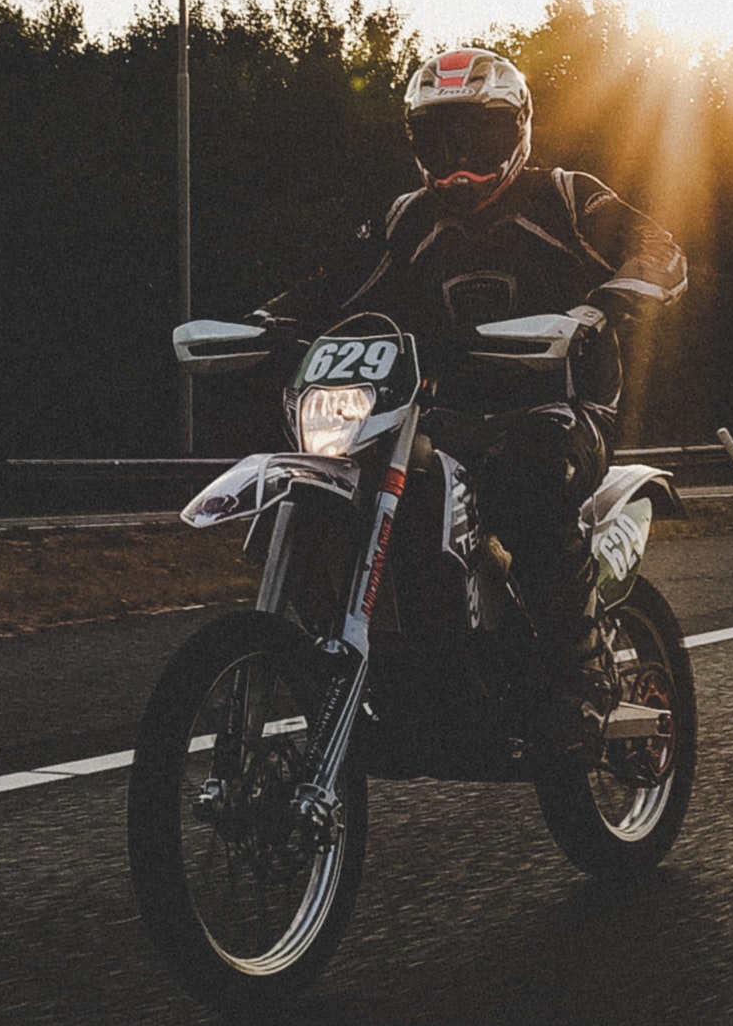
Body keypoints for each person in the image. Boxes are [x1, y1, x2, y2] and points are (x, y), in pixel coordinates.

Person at [258, 46, 686, 745]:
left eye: (477, 139)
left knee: (529, 473)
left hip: (562, 408)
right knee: (364, 481)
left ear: (516, 130)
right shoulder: (408, 218)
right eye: (438, 141)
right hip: (446, 416)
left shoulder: (566, 196)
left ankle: (580, 676)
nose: (457, 163)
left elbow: (659, 248)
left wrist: (608, 299)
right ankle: (408, 665)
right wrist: (271, 318)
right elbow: (337, 280)